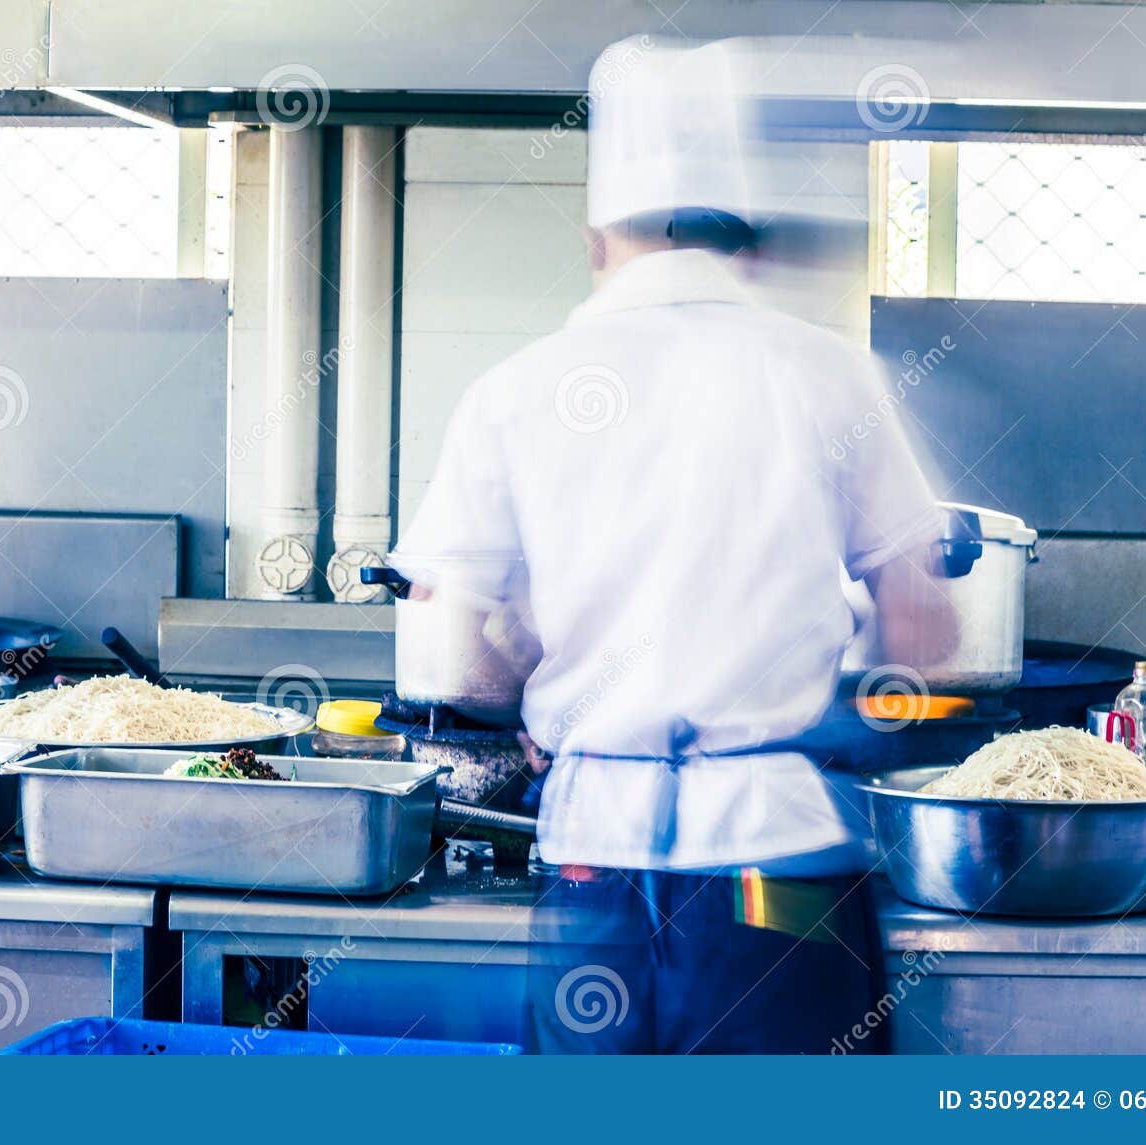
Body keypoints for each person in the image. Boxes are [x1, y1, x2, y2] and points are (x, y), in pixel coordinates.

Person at [392, 37, 954, 1053]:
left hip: (590, 857)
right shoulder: (825, 373)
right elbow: (928, 624)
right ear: (742, 236)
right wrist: (836, 698)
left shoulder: (516, 387)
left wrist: (543, 676)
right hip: (774, 865)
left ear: (598, 239)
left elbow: (456, 657)